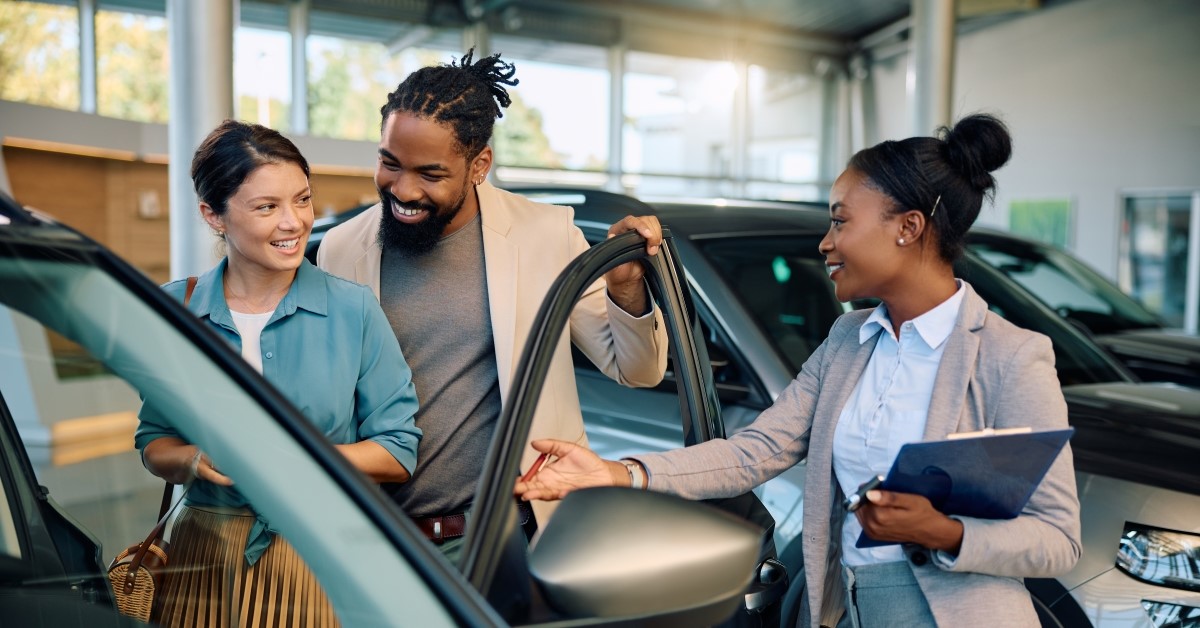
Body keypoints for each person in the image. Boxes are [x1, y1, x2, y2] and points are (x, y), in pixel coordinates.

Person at [515, 114, 1081, 628]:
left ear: (908, 227)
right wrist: (615, 473)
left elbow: (1058, 539)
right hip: (845, 611)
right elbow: (754, 451)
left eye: (840, 222)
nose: (825, 243)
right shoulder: (849, 338)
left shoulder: (1010, 355)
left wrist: (943, 533)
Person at [316, 50, 668, 561]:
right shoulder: (342, 248)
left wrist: (626, 283)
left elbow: (638, 370)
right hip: (377, 541)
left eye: (430, 174)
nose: (403, 189)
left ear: (479, 165)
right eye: (389, 163)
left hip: (505, 540)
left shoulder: (545, 234)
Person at [136, 120, 422, 627]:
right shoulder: (175, 309)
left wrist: (301, 457)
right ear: (213, 215)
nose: (294, 222)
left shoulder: (353, 310)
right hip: (203, 562)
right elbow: (155, 442)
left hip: (325, 559)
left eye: (303, 199)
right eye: (267, 207)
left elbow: (398, 450)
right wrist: (197, 460)